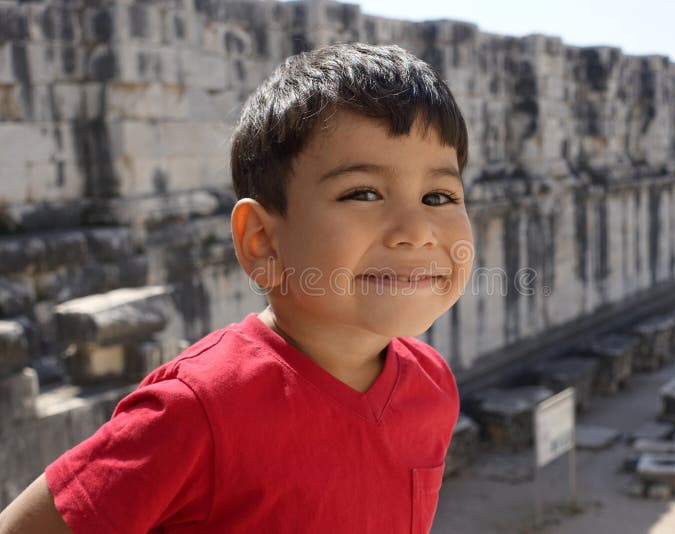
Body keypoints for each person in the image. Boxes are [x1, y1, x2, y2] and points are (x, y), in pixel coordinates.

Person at [0, 42, 474, 533]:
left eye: (438, 196)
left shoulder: (431, 387)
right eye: (364, 193)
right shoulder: (198, 409)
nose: (417, 230)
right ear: (262, 240)